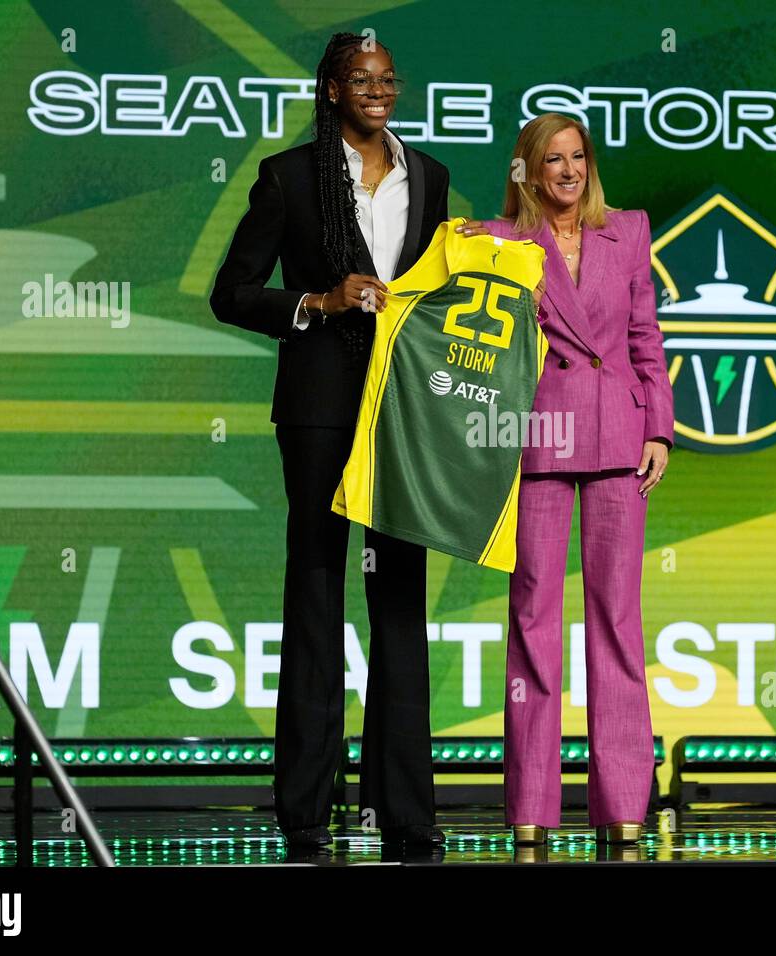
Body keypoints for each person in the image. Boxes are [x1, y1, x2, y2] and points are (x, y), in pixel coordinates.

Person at [209, 32, 491, 851]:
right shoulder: (288, 178)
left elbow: (442, 294)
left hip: (406, 410)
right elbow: (232, 293)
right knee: (318, 593)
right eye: (361, 80)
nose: (379, 90)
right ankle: (304, 812)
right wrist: (320, 303)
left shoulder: (429, 177)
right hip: (320, 408)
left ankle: (407, 813)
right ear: (331, 90)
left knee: (400, 599)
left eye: (389, 79)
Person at [486, 114, 674, 845]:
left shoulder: (628, 229)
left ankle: (623, 802)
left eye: (577, 157)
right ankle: (531, 810)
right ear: (527, 172)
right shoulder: (502, 242)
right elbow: (443, 274)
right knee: (533, 619)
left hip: (621, 435)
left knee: (617, 619)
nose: (567, 170)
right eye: (551, 160)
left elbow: (644, 335)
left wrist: (659, 425)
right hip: (540, 434)